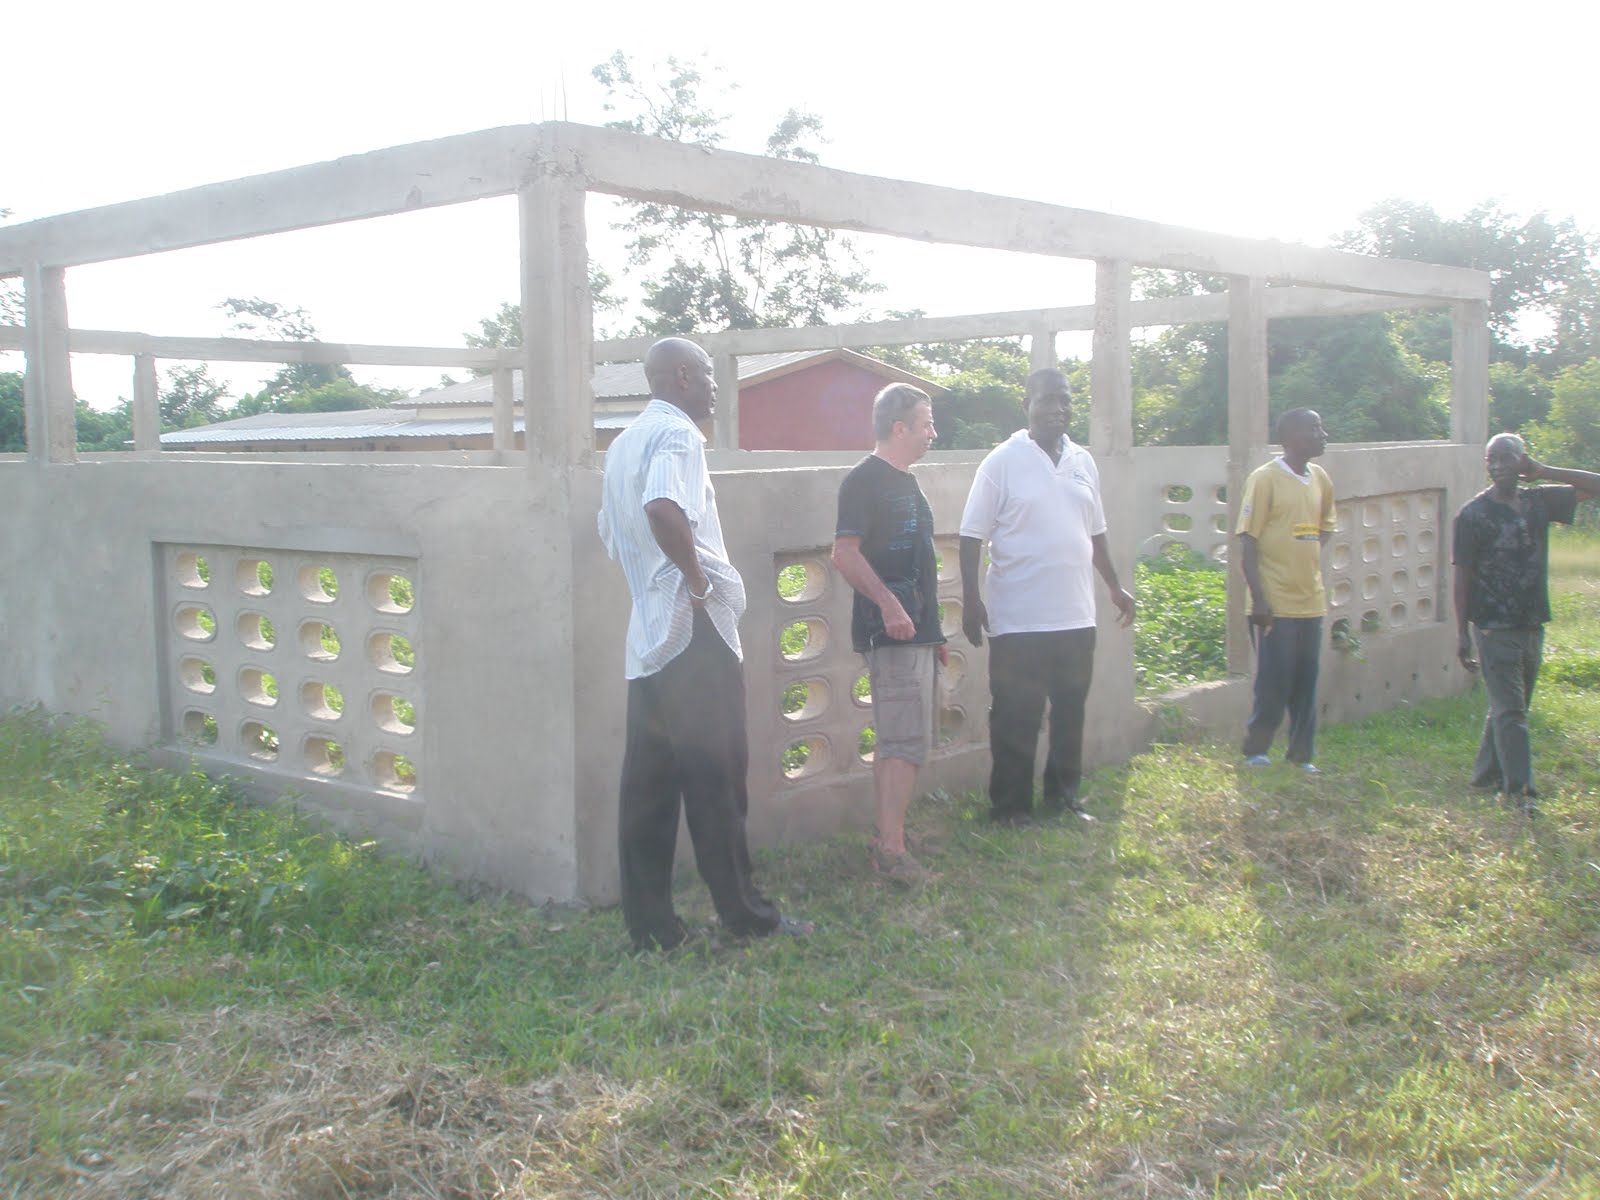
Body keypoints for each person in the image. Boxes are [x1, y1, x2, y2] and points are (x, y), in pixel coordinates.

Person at [598, 337, 811, 950]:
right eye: (711, 375)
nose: (718, 387)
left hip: (648, 640)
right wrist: (694, 582)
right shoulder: (677, 436)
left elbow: (614, 536)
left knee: (649, 787)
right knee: (717, 783)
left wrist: (655, 586)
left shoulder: (620, 446)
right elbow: (664, 509)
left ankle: (652, 929)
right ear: (684, 375)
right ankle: (746, 918)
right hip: (695, 635)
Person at [958, 368, 1135, 824]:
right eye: (1049, 399)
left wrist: (1115, 586)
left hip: (1075, 614)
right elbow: (971, 535)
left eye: (1066, 400)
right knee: (1017, 714)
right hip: (1019, 617)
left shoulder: (1082, 460)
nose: (1059, 408)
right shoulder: (1002, 461)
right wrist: (971, 600)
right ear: (1027, 405)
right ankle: (1011, 806)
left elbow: (1095, 532)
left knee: (1070, 710)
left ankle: (1063, 797)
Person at [832, 383, 945, 885]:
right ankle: (892, 852)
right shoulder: (864, 481)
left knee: (903, 739)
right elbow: (845, 554)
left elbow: (921, 562)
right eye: (926, 424)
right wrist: (890, 605)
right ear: (898, 428)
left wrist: (935, 632)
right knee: (903, 742)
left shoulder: (909, 482)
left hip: (917, 632)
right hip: (891, 631)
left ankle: (887, 835)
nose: (932, 433)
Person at [1452, 433, 1600, 814]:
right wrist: (1461, 635)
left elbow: (1596, 486)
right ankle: (1519, 794)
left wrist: (1544, 471)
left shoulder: (1539, 501)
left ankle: (1486, 774)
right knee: (1511, 711)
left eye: (1506, 458)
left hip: (1532, 622)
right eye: (1491, 460)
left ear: (1522, 462)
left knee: (1510, 707)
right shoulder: (1472, 515)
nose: (1498, 466)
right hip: (1493, 625)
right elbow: (1462, 578)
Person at [1237, 408, 1336, 771]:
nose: (1323, 434)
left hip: (1311, 600)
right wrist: (1260, 599)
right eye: (1315, 428)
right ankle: (1257, 751)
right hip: (1274, 604)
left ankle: (1300, 756)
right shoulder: (1264, 479)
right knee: (1273, 682)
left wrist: (1304, 550)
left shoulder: (1320, 479)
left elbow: (1325, 525)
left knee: (1306, 683)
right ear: (1291, 438)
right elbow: (1247, 544)